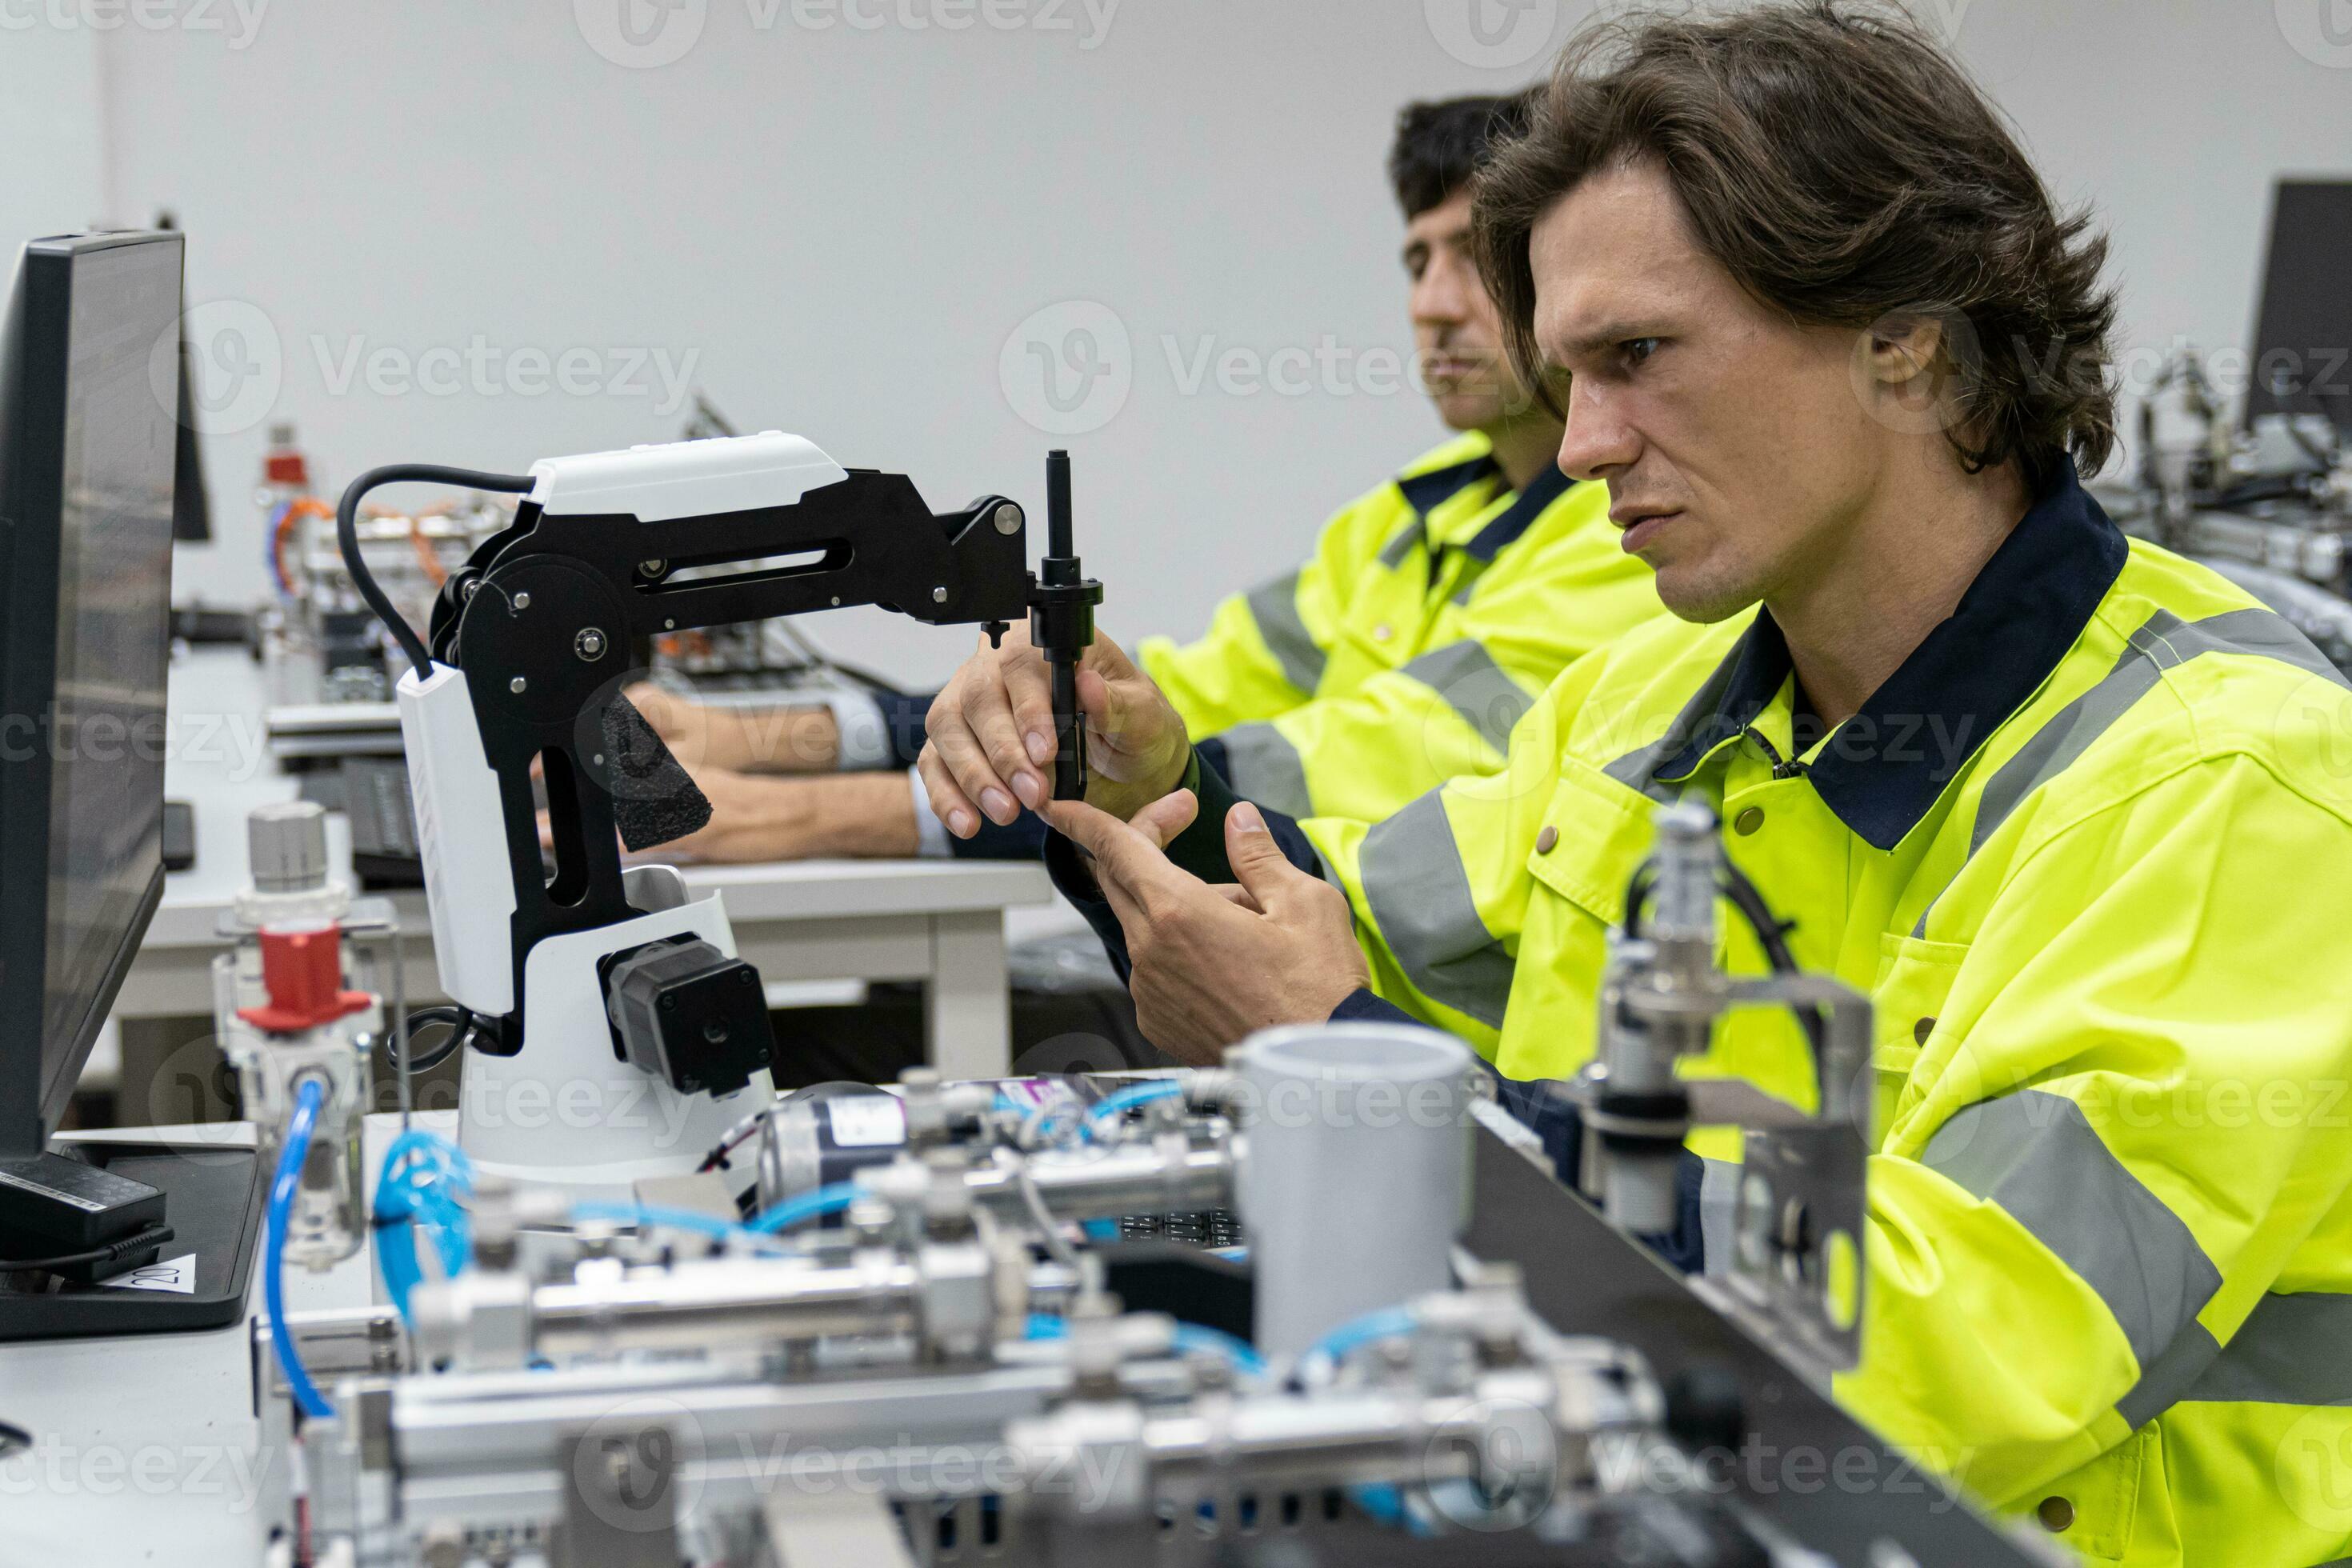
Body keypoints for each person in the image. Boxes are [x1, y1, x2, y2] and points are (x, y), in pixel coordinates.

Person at [917, 6, 2352, 1561]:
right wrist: (1139, 788)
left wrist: (1353, 1064)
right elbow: (1362, 938)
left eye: (1641, 358)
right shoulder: (1650, 698)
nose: (1586, 443)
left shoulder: (2229, 777)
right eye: (1571, 374)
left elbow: (1967, 1338)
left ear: (1909, 345)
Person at [630, 93, 1662, 862]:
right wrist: (751, 735)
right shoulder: (1403, 517)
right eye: (1414, 263)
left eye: (1473, 258)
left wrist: (779, 813)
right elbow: (1177, 695)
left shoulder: (1631, 528)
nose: (1432, 306)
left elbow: (1296, 772)